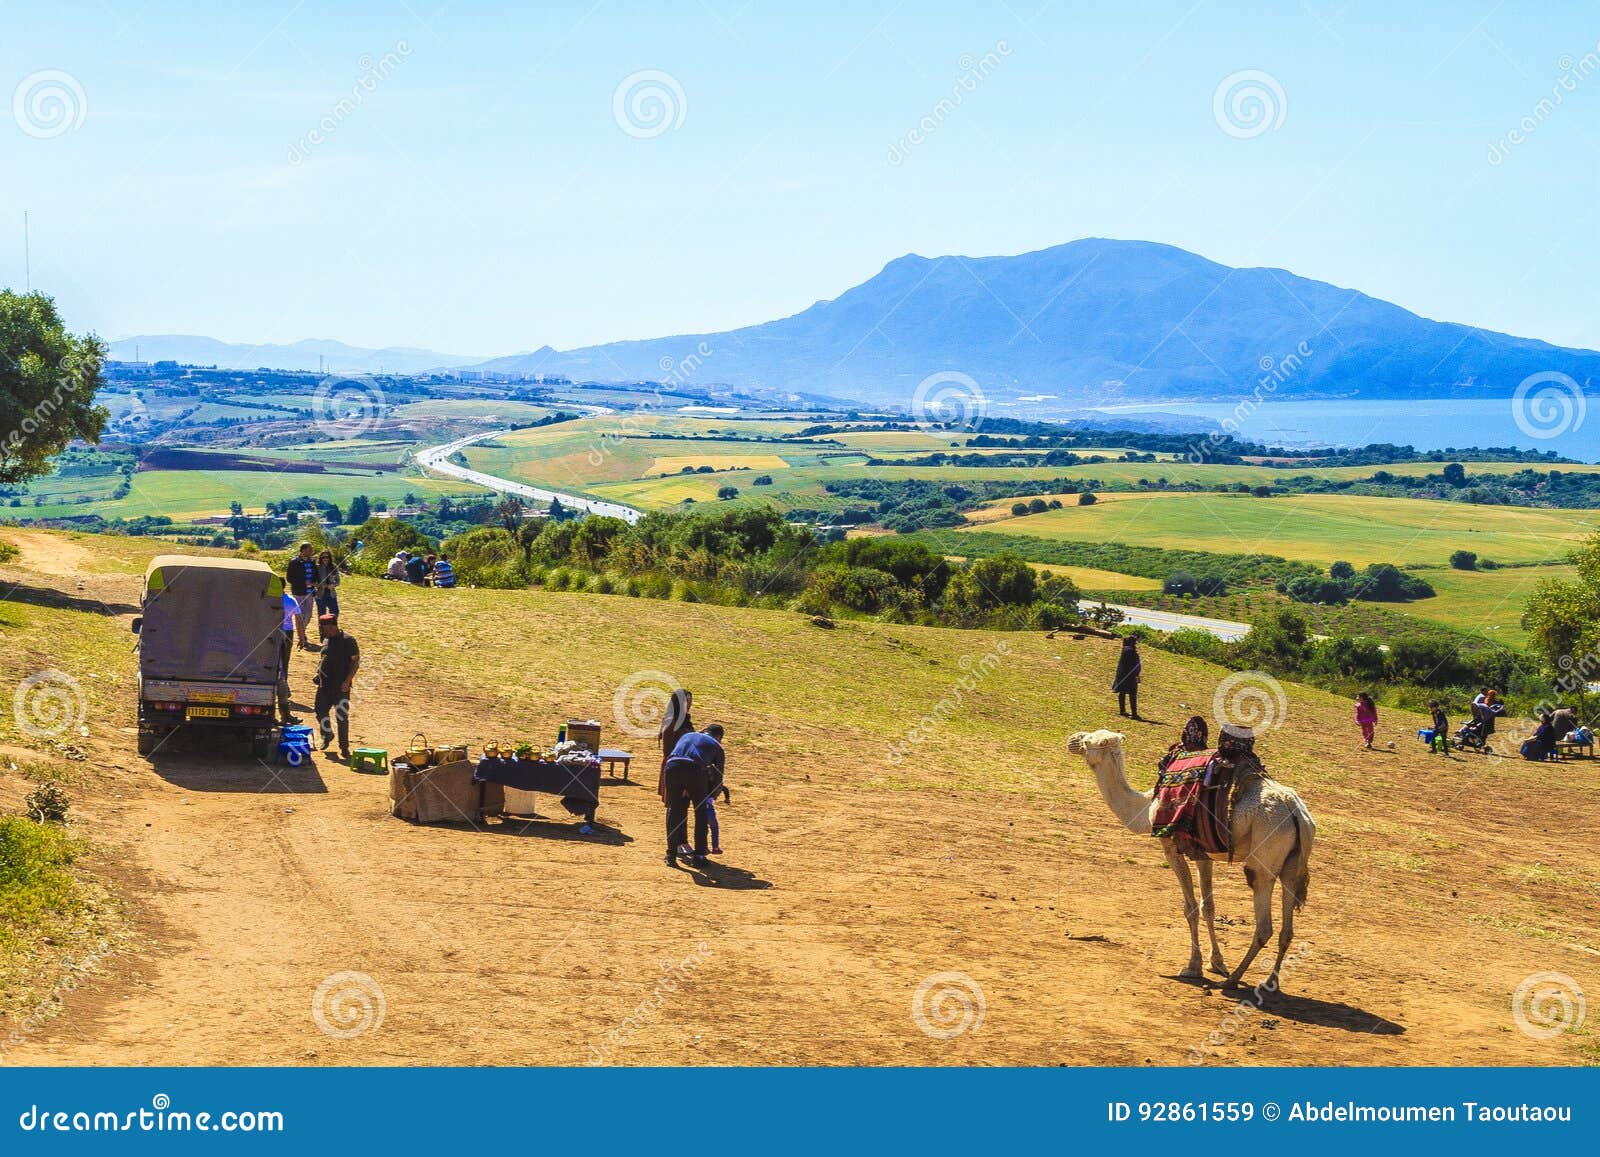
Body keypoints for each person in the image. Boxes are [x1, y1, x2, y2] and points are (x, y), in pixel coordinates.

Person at [662, 724, 724, 868]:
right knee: (701, 812)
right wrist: (712, 795)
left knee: (674, 810)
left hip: (672, 768)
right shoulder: (716, 746)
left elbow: (679, 755)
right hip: (695, 771)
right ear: (719, 737)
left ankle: (671, 854)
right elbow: (719, 776)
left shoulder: (687, 736)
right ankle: (699, 855)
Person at [312, 613, 360, 760]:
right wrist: (317, 673)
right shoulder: (326, 640)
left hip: (341, 687)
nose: (322, 631)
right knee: (320, 711)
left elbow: (355, 662)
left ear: (332, 627)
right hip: (324, 685)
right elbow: (324, 658)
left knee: (341, 718)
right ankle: (327, 735)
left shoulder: (348, 641)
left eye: (324, 629)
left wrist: (347, 681)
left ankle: (344, 748)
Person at [657, 688, 695, 805]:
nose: (689, 704)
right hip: (674, 767)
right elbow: (668, 750)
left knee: (680, 805)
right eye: (687, 700)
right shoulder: (671, 722)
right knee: (674, 805)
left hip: (685, 766)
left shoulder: (685, 720)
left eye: (690, 700)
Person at [285, 542, 320, 651]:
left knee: (308, 614)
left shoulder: (312, 562)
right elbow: (289, 578)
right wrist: (303, 583)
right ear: (303, 550)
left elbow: (316, 575)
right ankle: (302, 635)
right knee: (300, 615)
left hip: (310, 592)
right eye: (309, 549)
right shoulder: (294, 562)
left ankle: (301, 632)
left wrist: (315, 582)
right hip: (298, 592)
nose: (311, 551)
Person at [275, 590, 301, 725]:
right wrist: (302, 637)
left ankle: (283, 715)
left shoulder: (269, 599)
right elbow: (299, 619)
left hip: (271, 633)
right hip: (286, 632)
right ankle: (285, 715)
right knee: (282, 672)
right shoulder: (290, 600)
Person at [1112, 636, 1142, 719]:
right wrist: (1137, 675)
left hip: (1121, 675)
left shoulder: (1124, 650)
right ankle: (1134, 714)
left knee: (1122, 692)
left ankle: (1122, 710)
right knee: (1133, 695)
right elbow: (1136, 665)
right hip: (1130, 676)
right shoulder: (1131, 651)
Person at [314, 548, 341, 618]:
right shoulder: (316, 567)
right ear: (320, 558)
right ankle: (322, 628)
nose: (325, 559)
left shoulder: (334, 566)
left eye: (327, 557)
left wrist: (334, 584)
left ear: (330, 558)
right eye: (323, 557)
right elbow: (313, 581)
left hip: (331, 593)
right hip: (320, 594)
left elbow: (338, 580)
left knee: (335, 611)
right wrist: (320, 585)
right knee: (321, 614)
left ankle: (332, 627)